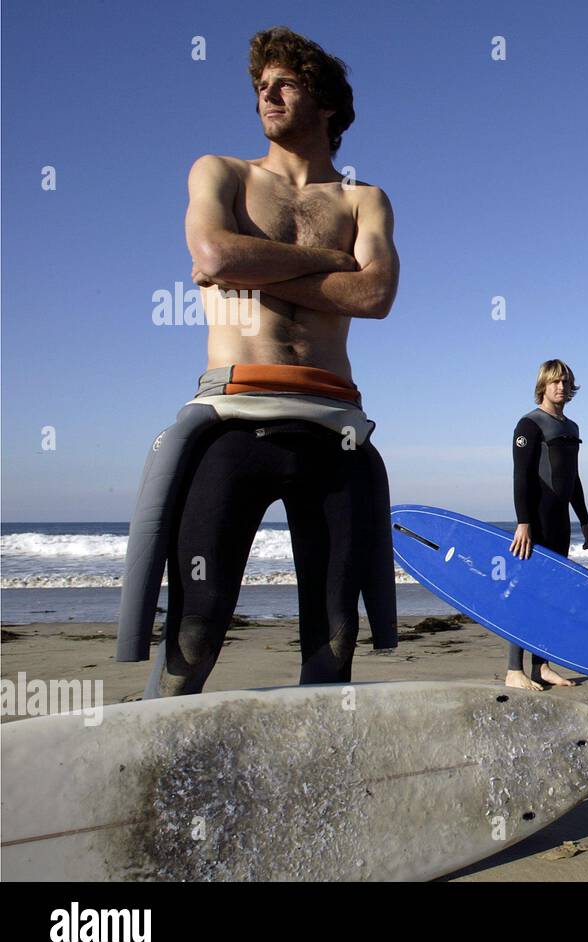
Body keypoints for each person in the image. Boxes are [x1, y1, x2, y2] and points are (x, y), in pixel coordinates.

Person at [116, 26, 400, 695]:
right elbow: (215, 256)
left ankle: (315, 787)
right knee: (194, 629)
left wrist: (255, 268)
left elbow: (375, 293)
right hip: (231, 423)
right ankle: (156, 782)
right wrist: (333, 260)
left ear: (326, 103)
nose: (266, 95)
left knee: (335, 637)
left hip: (335, 428)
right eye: (260, 86)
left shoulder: (364, 199)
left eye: (285, 83)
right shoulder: (223, 172)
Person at [506, 360, 588, 690]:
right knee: (528, 592)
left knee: (550, 595)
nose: (561, 387)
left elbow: (573, 480)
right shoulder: (529, 425)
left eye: (565, 381)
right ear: (543, 385)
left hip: (560, 522)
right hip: (537, 520)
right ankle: (513, 669)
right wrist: (523, 522)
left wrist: (584, 521)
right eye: (554, 381)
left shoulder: (571, 428)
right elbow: (521, 477)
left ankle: (541, 666)